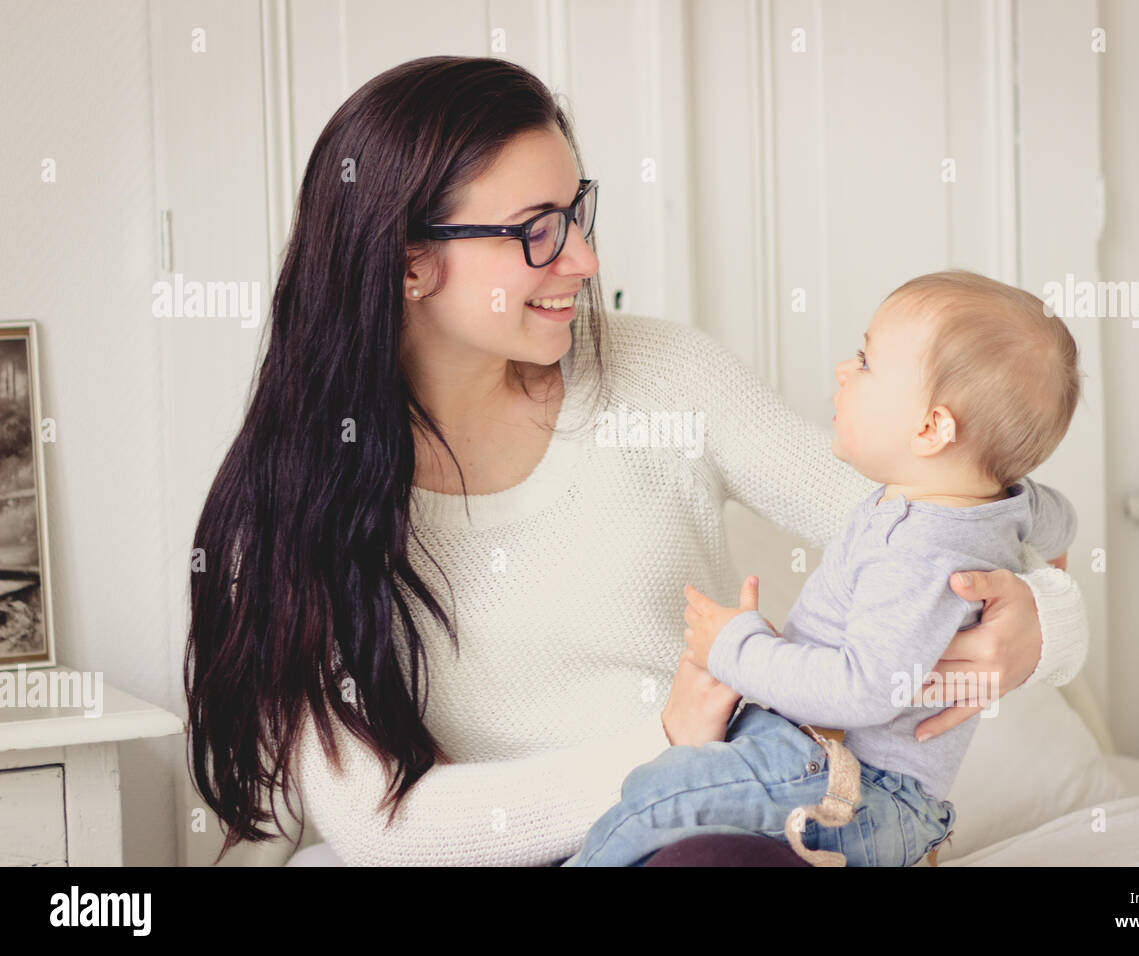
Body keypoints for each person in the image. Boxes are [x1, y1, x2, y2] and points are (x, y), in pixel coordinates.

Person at [183, 56, 1089, 867]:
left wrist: (1043, 624)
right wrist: (667, 744)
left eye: (577, 212)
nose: (583, 258)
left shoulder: (662, 377)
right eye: (536, 229)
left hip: (730, 830)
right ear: (410, 262)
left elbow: (934, 505)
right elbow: (385, 826)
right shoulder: (293, 507)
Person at [564, 271, 1081, 867]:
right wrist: (1046, 589)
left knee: (662, 795)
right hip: (839, 775)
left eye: (865, 362)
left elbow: (862, 691)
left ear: (931, 427)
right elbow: (1061, 525)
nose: (843, 369)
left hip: (853, 784)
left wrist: (734, 647)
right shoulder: (1009, 501)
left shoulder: (916, 553)